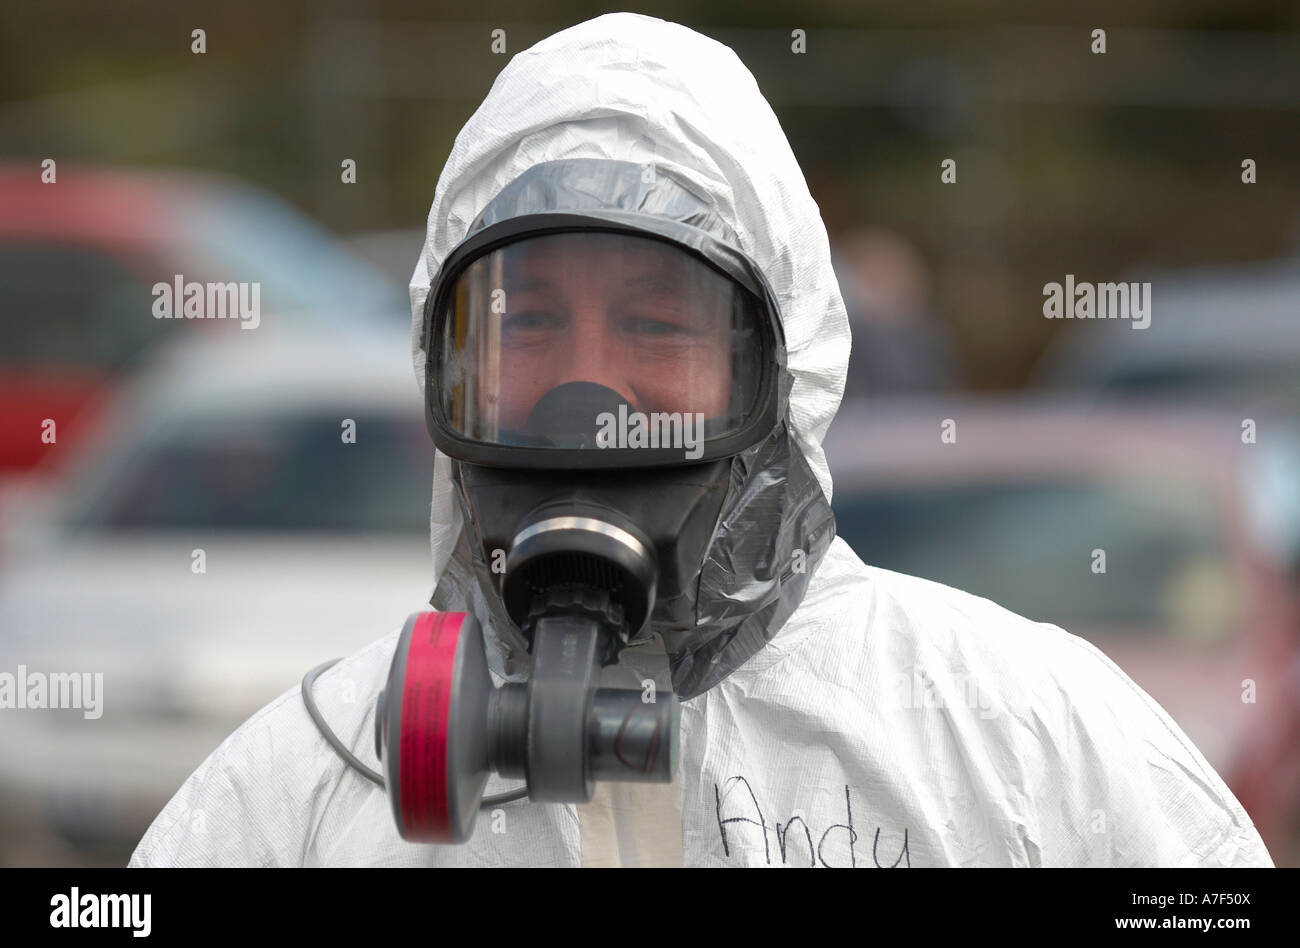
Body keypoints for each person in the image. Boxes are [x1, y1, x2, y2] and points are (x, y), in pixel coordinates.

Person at [130, 13, 1273, 867]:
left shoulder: (1023, 747)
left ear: (782, 370)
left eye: (653, 322)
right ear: (445, 370)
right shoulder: (311, 793)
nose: (587, 390)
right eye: (527, 321)